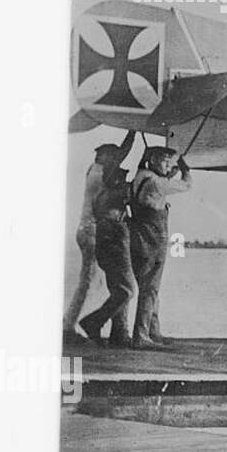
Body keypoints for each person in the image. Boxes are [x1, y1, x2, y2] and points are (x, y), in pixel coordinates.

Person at [64, 130, 136, 343]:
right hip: (93, 231)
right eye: (111, 156)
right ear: (103, 156)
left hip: (86, 229)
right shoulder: (101, 173)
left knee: (91, 281)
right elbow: (123, 152)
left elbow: (121, 154)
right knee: (88, 282)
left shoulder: (93, 170)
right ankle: (69, 326)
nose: (116, 159)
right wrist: (133, 130)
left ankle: (73, 324)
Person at [129, 146, 191, 348]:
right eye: (164, 161)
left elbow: (156, 176)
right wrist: (185, 168)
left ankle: (153, 331)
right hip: (154, 239)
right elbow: (186, 185)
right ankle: (142, 336)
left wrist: (167, 169)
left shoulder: (142, 174)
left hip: (138, 236)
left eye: (169, 161)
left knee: (149, 287)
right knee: (150, 288)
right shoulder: (157, 183)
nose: (169, 164)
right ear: (153, 161)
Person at [77, 166, 137, 347]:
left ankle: (116, 334)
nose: (122, 180)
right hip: (116, 247)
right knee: (127, 291)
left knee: (118, 289)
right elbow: (128, 196)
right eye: (120, 177)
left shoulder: (101, 194)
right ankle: (93, 322)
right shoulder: (114, 194)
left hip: (104, 248)